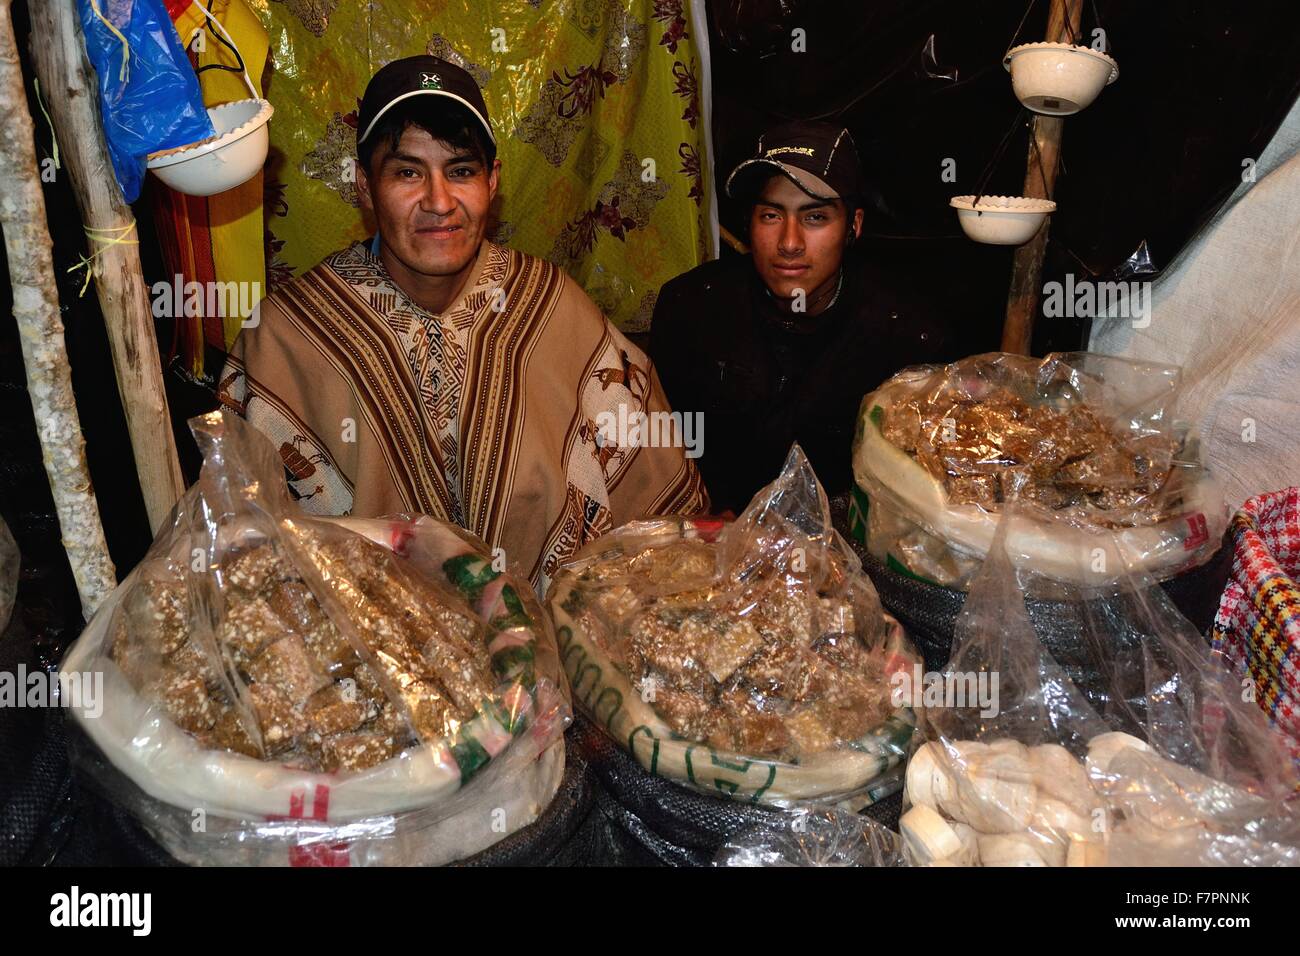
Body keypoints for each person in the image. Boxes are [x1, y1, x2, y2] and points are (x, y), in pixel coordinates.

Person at [219, 56, 707, 589]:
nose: (439, 202)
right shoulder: (287, 335)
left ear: (492, 181)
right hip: (369, 655)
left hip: (556, 647)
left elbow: (652, 509)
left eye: (461, 171)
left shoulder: (552, 307)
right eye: (407, 172)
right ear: (364, 185)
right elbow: (243, 550)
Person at [650, 120, 946, 513]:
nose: (789, 243)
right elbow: (659, 450)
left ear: (853, 226)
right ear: (749, 224)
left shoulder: (904, 335)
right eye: (771, 216)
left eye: (815, 218)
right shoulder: (691, 308)